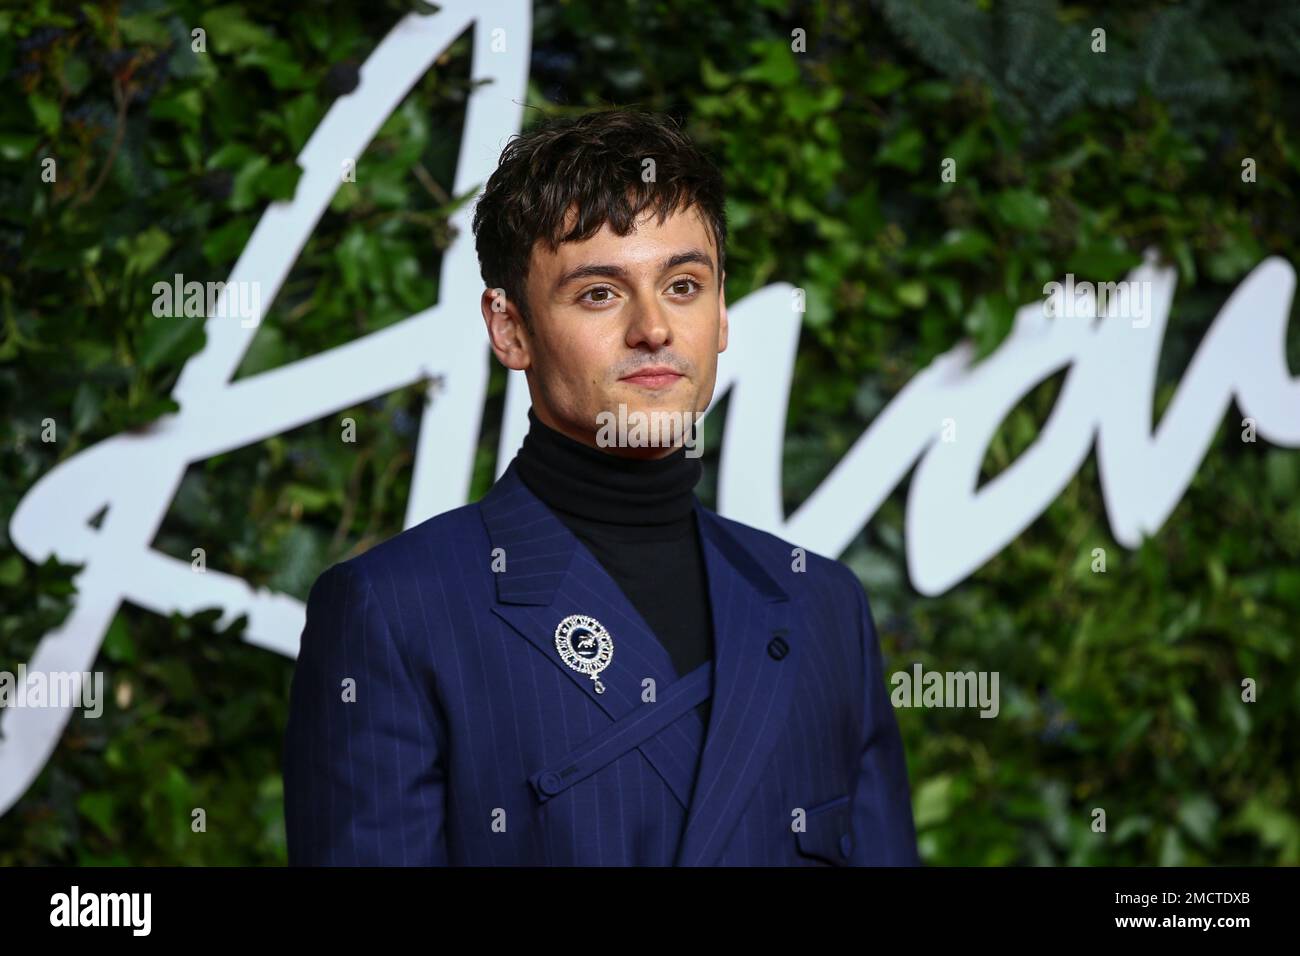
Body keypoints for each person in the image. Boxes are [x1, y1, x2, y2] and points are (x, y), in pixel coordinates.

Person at [282, 108, 920, 866]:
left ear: (720, 314)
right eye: (599, 294)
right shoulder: (392, 612)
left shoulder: (822, 605)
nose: (653, 328)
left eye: (683, 285)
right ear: (509, 327)